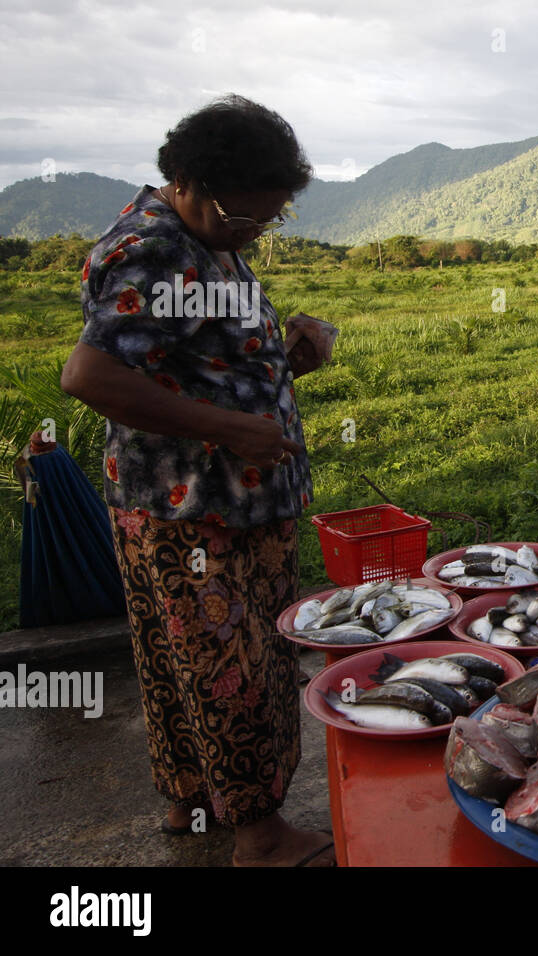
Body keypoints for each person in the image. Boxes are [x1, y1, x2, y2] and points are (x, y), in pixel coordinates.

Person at [61, 95, 337, 866]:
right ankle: (259, 834)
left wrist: (282, 354)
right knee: (237, 669)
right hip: (200, 511)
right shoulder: (154, 249)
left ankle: (188, 803)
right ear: (184, 180)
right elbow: (89, 374)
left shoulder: (203, 235)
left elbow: (192, 356)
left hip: (203, 503)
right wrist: (226, 428)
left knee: (176, 659)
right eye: (243, 217)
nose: (253, 231)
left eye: (266, 221)